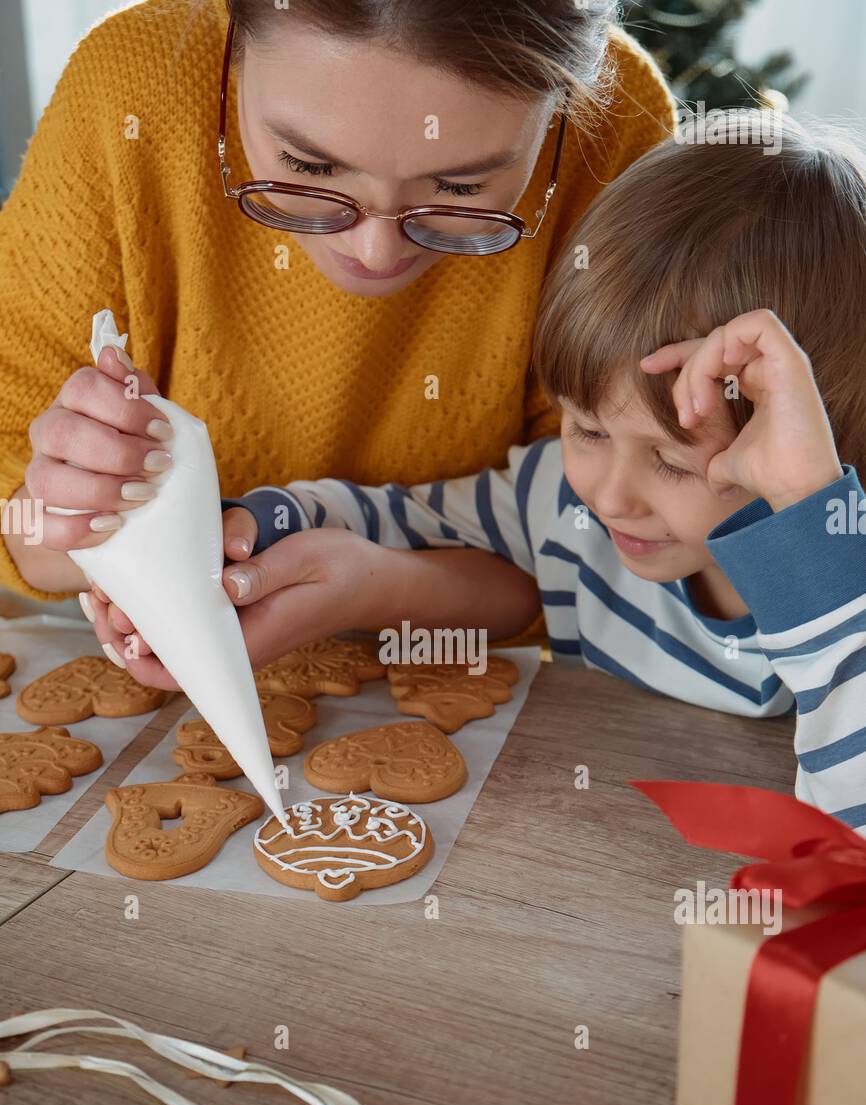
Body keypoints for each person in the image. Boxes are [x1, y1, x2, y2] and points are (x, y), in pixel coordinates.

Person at [102, 114, 866, 829]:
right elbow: (399, 517)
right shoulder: (559, 504)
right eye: (588, 427)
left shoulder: (840, 588)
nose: (607, 494)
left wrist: (808, 514)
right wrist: (252, 532)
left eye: (669, 459)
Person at [0, 0, 674, 638]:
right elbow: (15, 527)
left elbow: (590, 559)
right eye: (308, 165)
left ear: (562, 107)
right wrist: (72, 520)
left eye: (461, 188)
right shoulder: (130, 89)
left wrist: (380, 588)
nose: (375, 252)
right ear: (233, 40)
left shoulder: (616, 126)